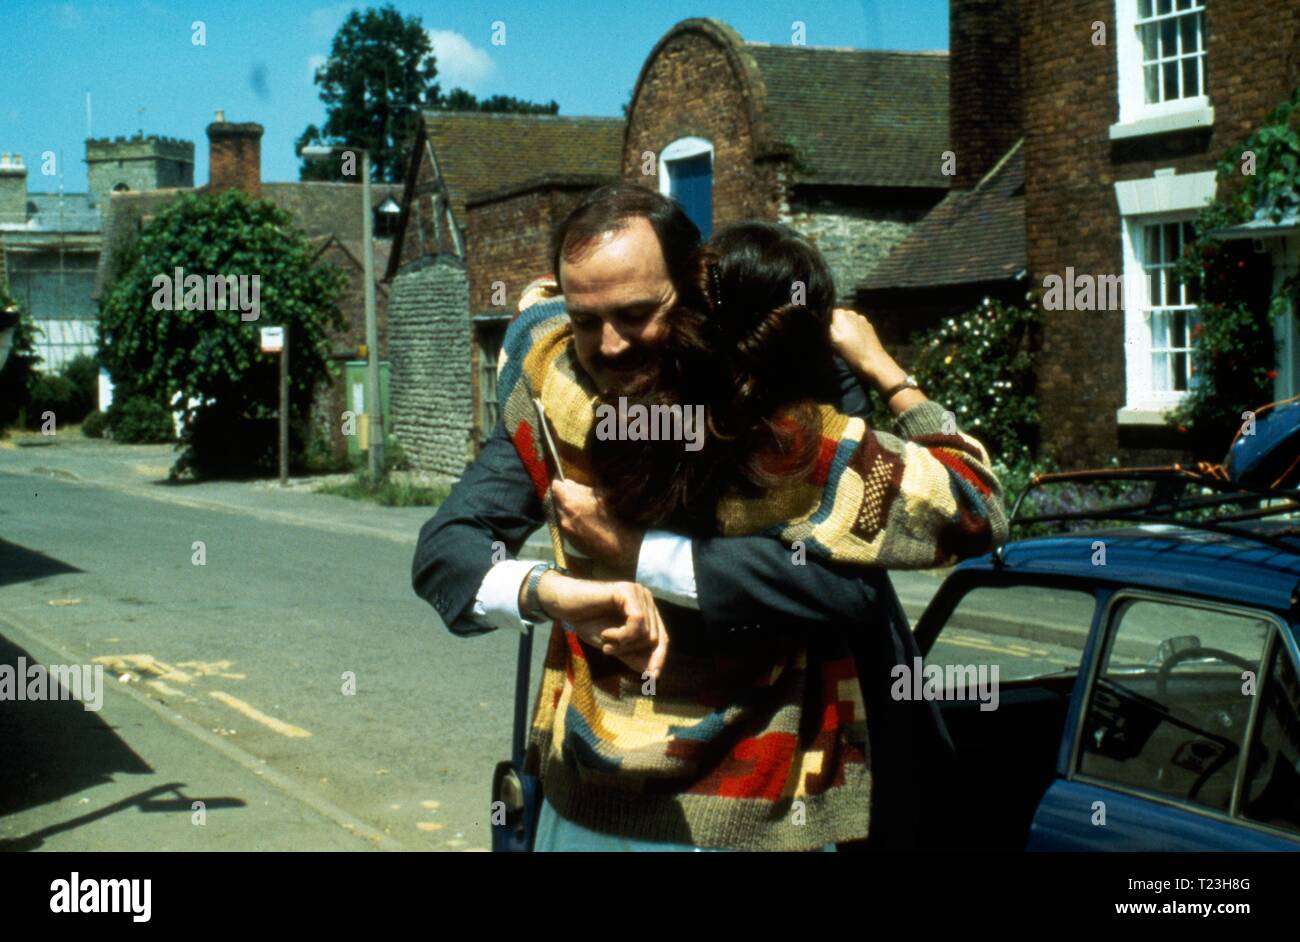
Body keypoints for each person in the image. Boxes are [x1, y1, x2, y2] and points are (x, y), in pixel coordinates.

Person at [412, 183, 1004, 850]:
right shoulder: (556, 396)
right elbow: (446, 553)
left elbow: (844, 589)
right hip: (592, 807)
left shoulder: (775, 419)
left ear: (696, 294)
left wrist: (642, 553)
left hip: (760, 816)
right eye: (583, 320)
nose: (607, 347)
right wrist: (549, 592)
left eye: (638, 315)